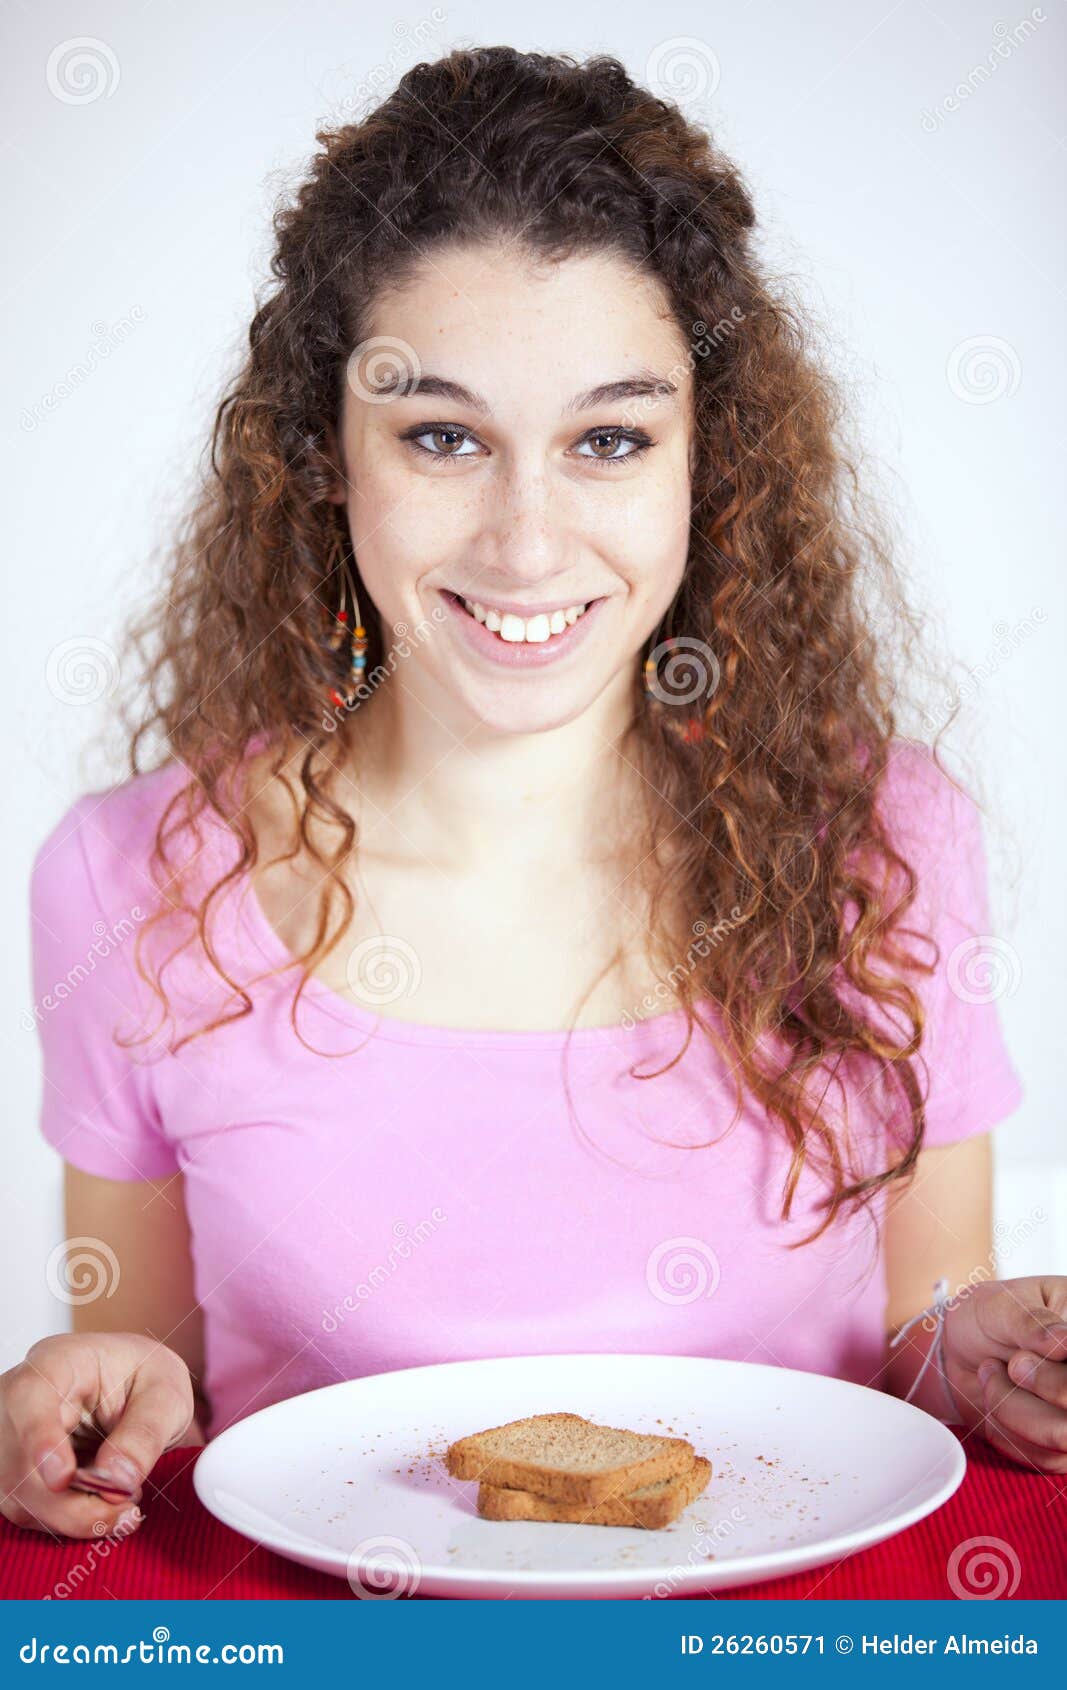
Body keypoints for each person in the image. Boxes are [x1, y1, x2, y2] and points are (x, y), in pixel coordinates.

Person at [5, 45, 1064, 1542]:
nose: (524, 540)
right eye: (442, 435)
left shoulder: (885, 842)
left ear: (710, 459)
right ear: (323, 458)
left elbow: (911, 1363)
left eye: (610, 438)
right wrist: (90, 1387)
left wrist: (983, 1358)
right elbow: (155, 1394)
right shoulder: (129, 880)